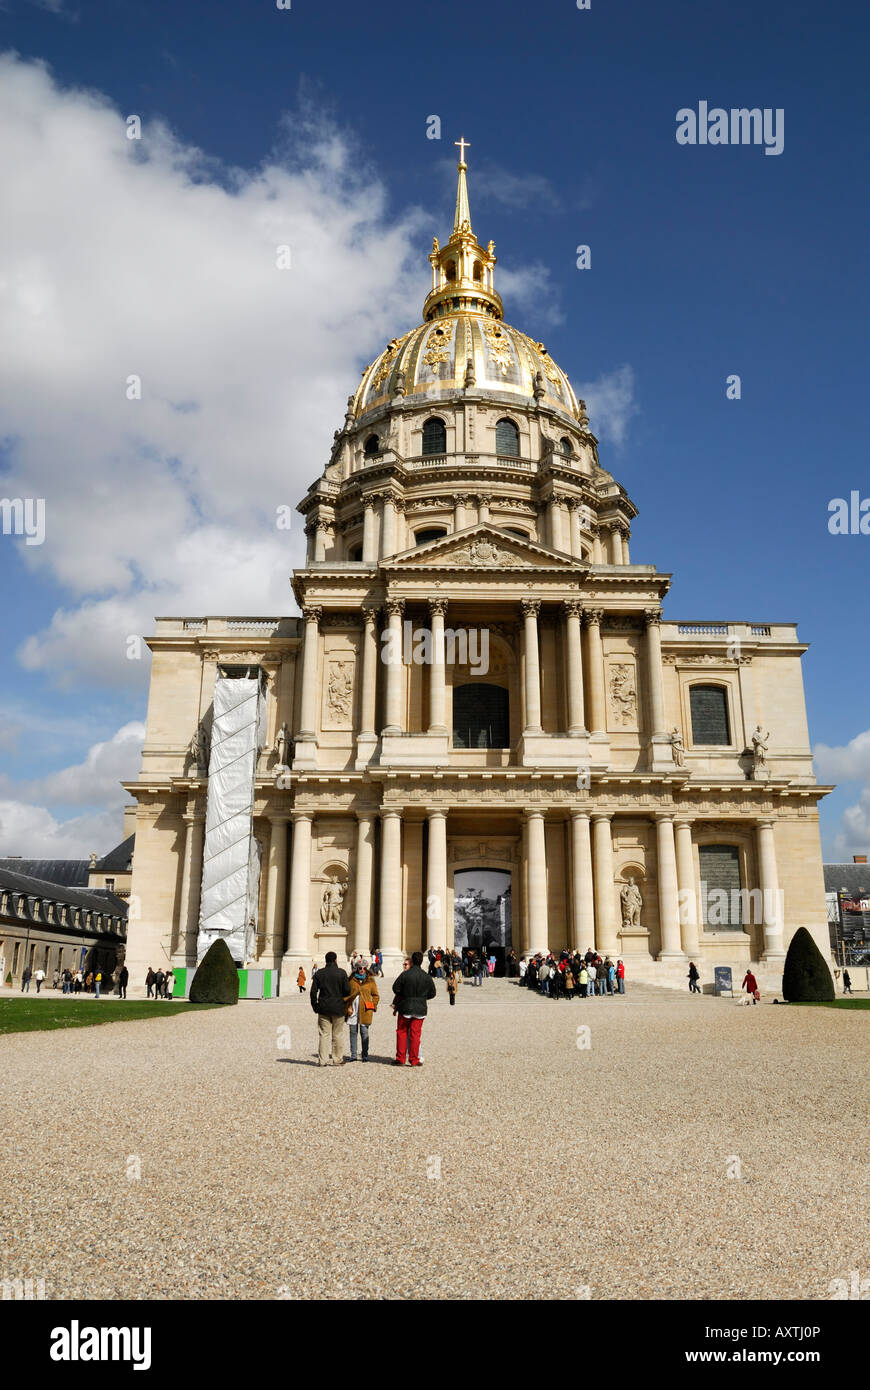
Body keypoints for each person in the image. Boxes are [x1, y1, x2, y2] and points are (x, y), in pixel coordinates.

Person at [391, 950, 436, 1067]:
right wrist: (422, 998)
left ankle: (400, 1058)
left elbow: (395, 988)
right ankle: (414, 1059)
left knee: (401, 1032)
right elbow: (433, 993)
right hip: (420, 1008)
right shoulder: (426, 976)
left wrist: (404, 994)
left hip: (406, 1006)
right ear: (421, 961)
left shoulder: (405, 974)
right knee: (415, 1035)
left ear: (412, 961)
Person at [310, 951, 350, 1067]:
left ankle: (323, 1060)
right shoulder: (341, 973)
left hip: (323, 1008)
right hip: (338, 1007)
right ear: (336, 960)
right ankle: (337, 1059)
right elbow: (347, 990)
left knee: (324, 1034)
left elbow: (313, 992)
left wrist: (315, 1005)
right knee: (337, 1034)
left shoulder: (319, 973)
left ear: (326, 960)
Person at [345, 959, 379, 1062]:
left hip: (365, 1010)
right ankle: (353, 1055)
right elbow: (346, 994)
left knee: (364, 1033)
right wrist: (347, 1005)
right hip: (353, 1010)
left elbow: (376, 995)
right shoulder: (351, 980)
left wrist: (372, 1005)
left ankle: (365, 1055)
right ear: (357, 968)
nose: (362, 970)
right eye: (360, 968)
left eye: (364, 968)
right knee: (353, 1032)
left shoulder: (370, 980)